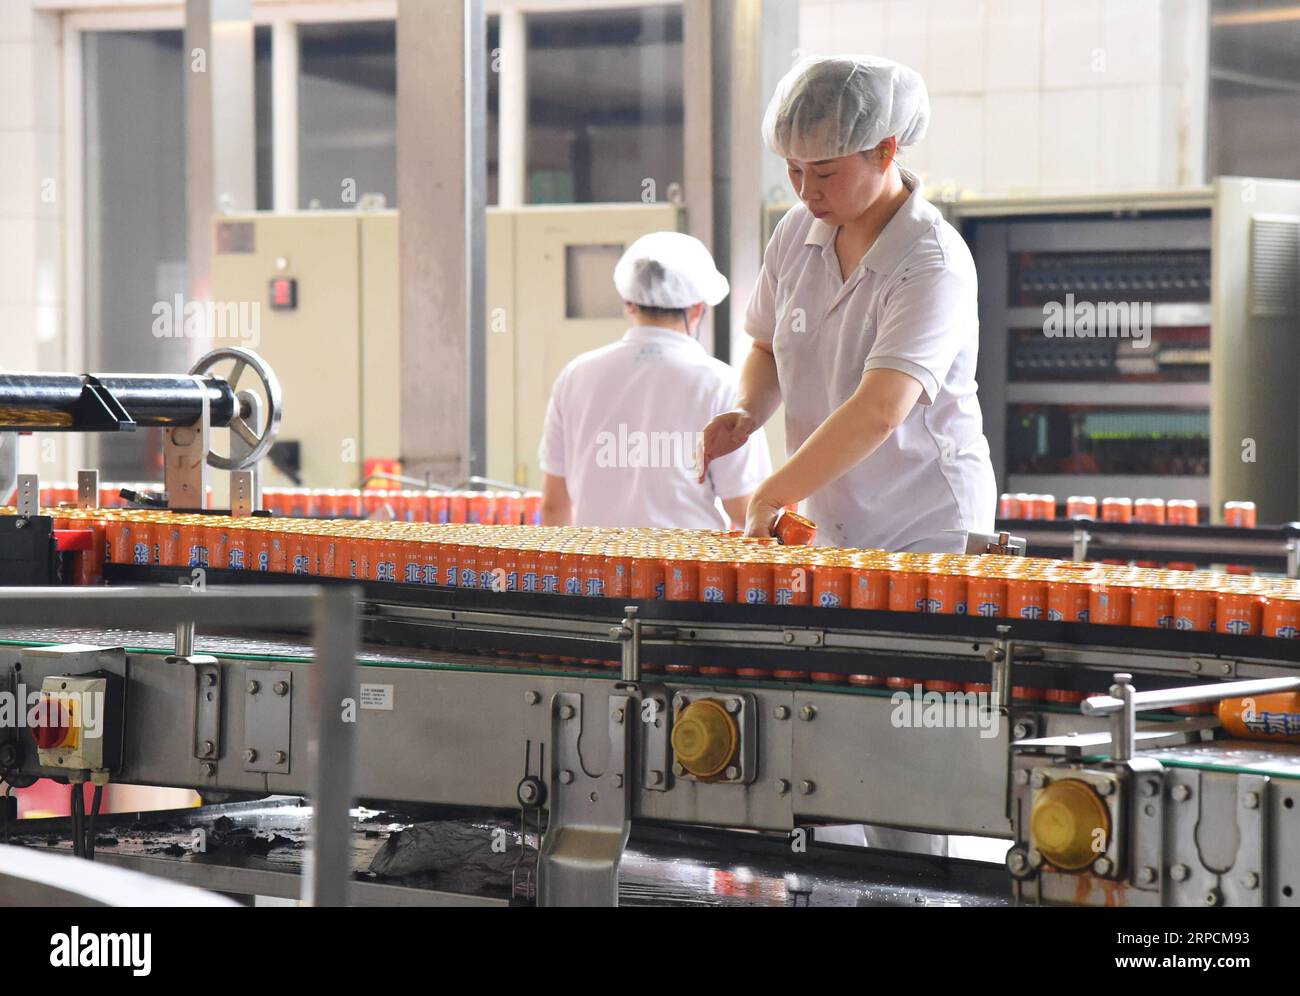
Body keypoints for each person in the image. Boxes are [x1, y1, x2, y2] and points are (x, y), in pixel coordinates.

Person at [700, 55, 996, 553]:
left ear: (885, 152)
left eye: (825, 173)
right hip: (831, 514)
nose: (806, 190)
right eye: (794, 169)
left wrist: (773, 492)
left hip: (926, 522)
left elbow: (881, 408)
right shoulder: (796, 232)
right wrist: (749, 410)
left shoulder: (930, 261)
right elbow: (767, 346)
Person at [539, 232, 771, 529]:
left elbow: (554, 504)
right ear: (698, 309)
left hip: (598, 568)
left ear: (629, 304)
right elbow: (743, 508)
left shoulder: (575, 377)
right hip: (688, 569)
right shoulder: (721, 383)